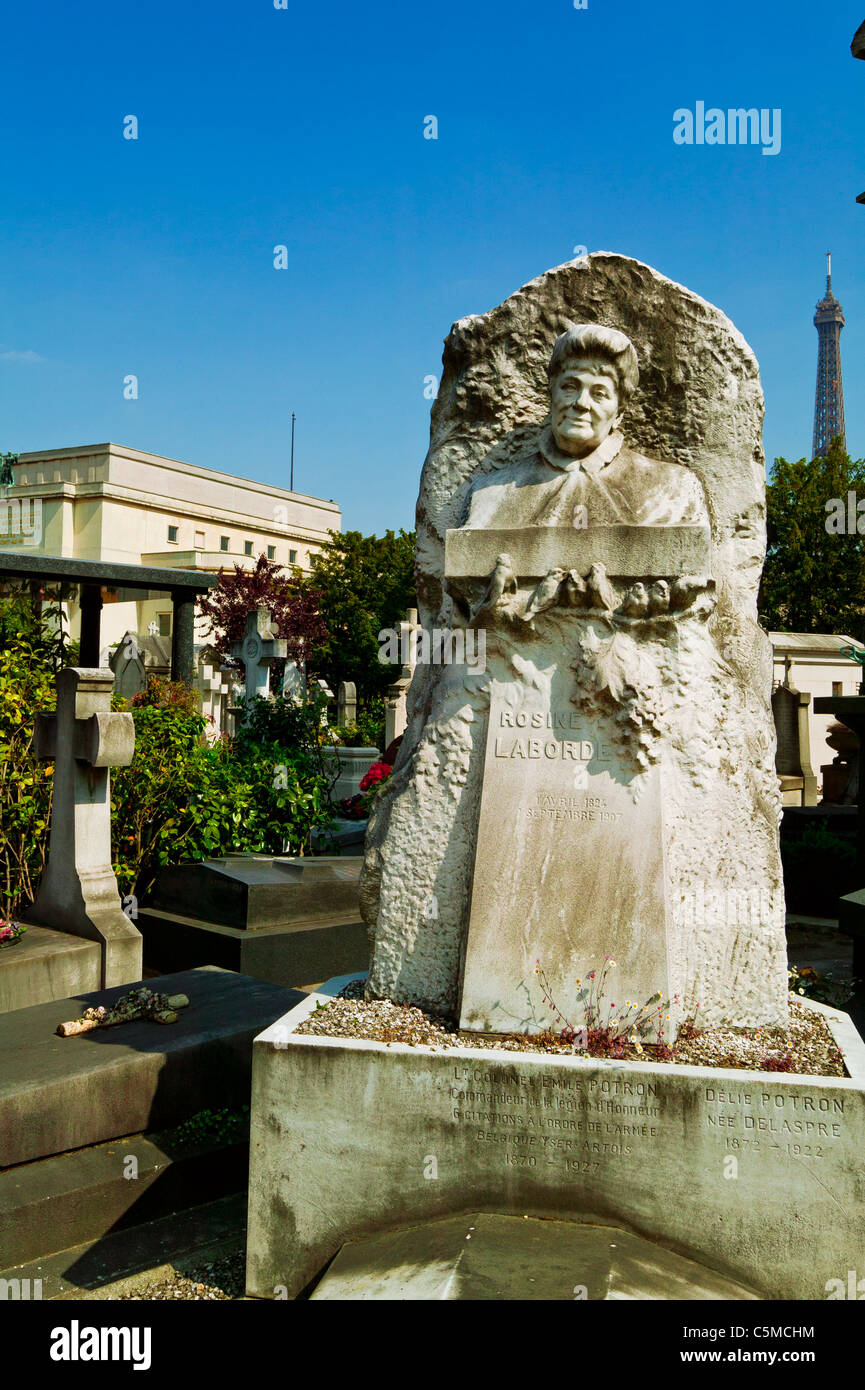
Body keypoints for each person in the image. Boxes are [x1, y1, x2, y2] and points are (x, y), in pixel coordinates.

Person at [462, 323, 708, 530]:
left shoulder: (673, 491)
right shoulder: (487, 497)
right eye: (570, 387)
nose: (581, 404)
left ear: (619, 412)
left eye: (599, 393)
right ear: (552, 393)